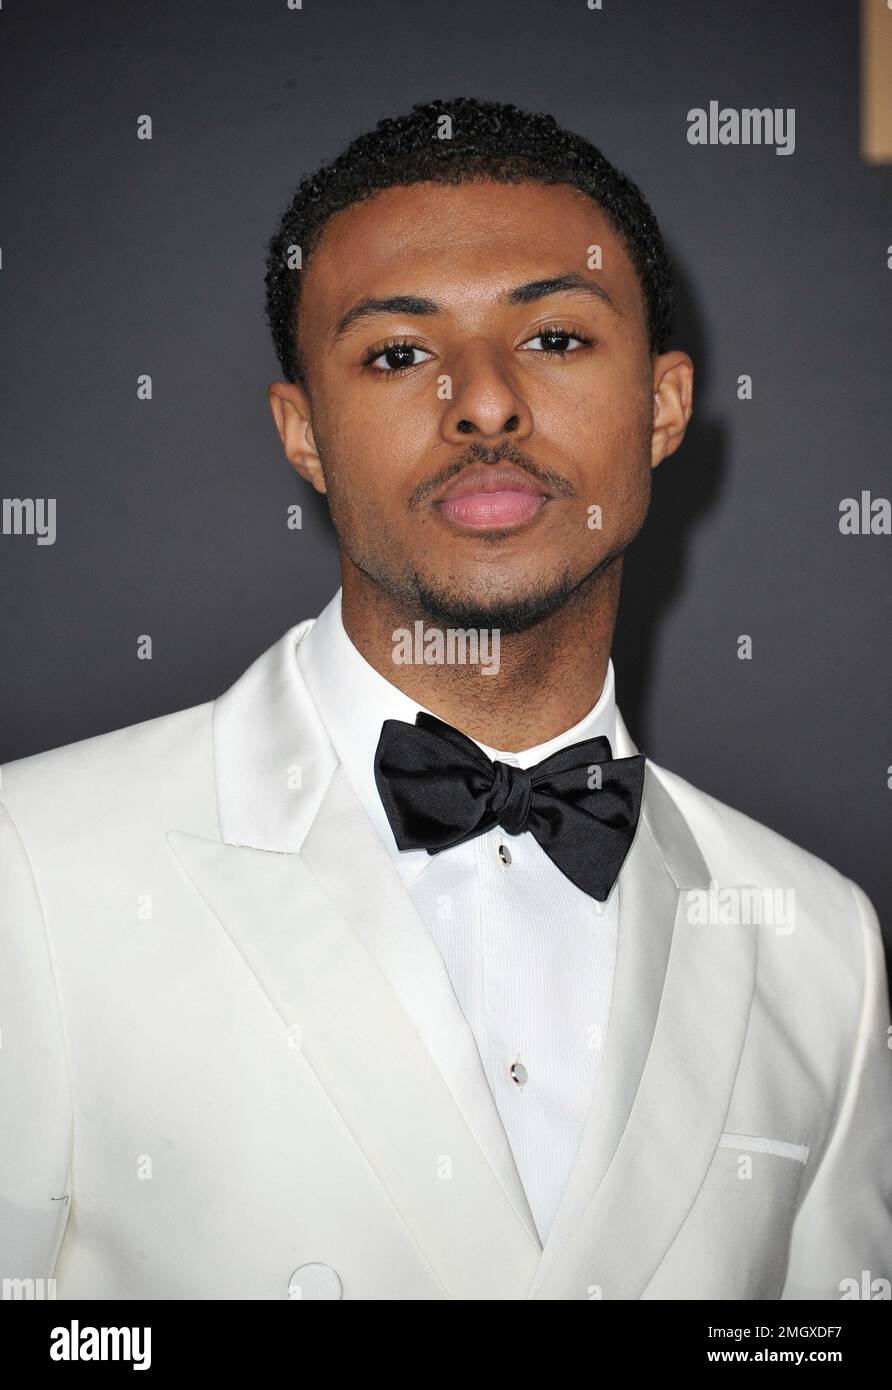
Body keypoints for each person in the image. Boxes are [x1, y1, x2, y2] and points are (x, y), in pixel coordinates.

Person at [2, 96, 890, 1302]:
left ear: (665, 406)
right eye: (398, 353)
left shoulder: (819, 941)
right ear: (303, 432)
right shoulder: (33, 870)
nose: (481, 401)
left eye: (557, 339)